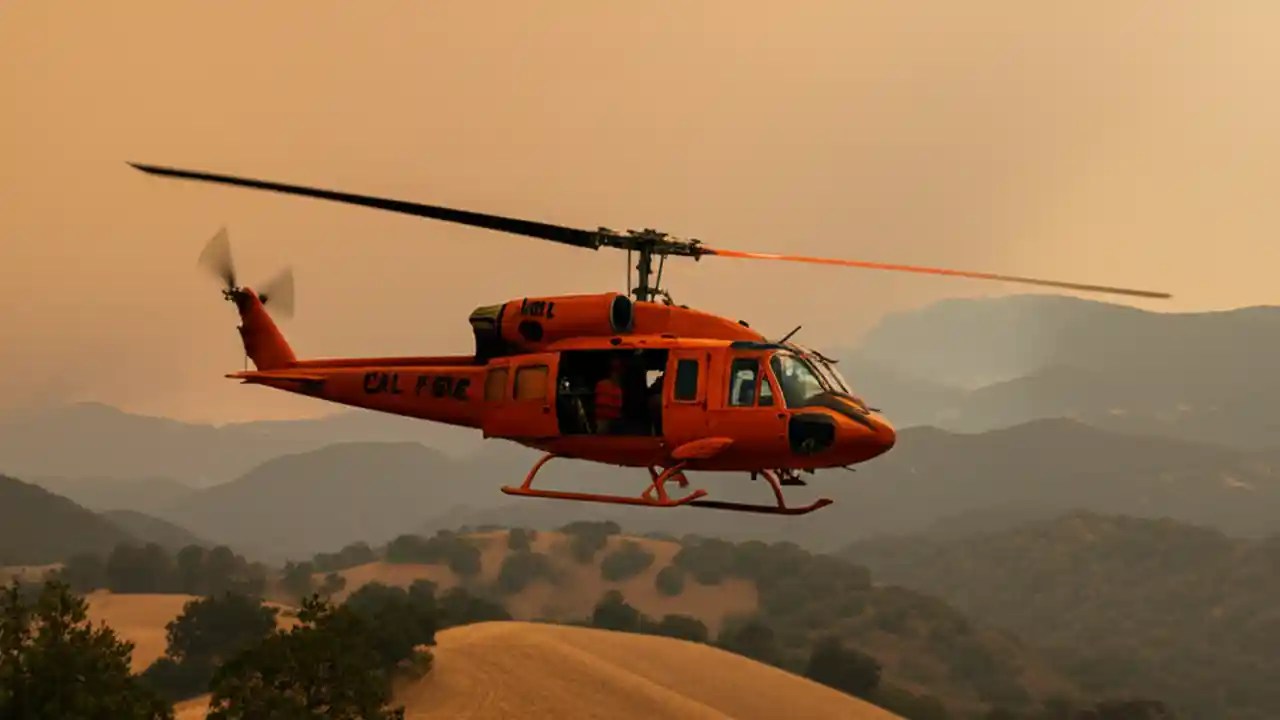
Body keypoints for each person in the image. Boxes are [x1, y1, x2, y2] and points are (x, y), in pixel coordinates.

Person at [594, 355, 625, 434]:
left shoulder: (624, 386)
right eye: (614, 368)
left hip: (618, 421)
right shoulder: (602, 384)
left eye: (617, 368)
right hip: (604, 420)